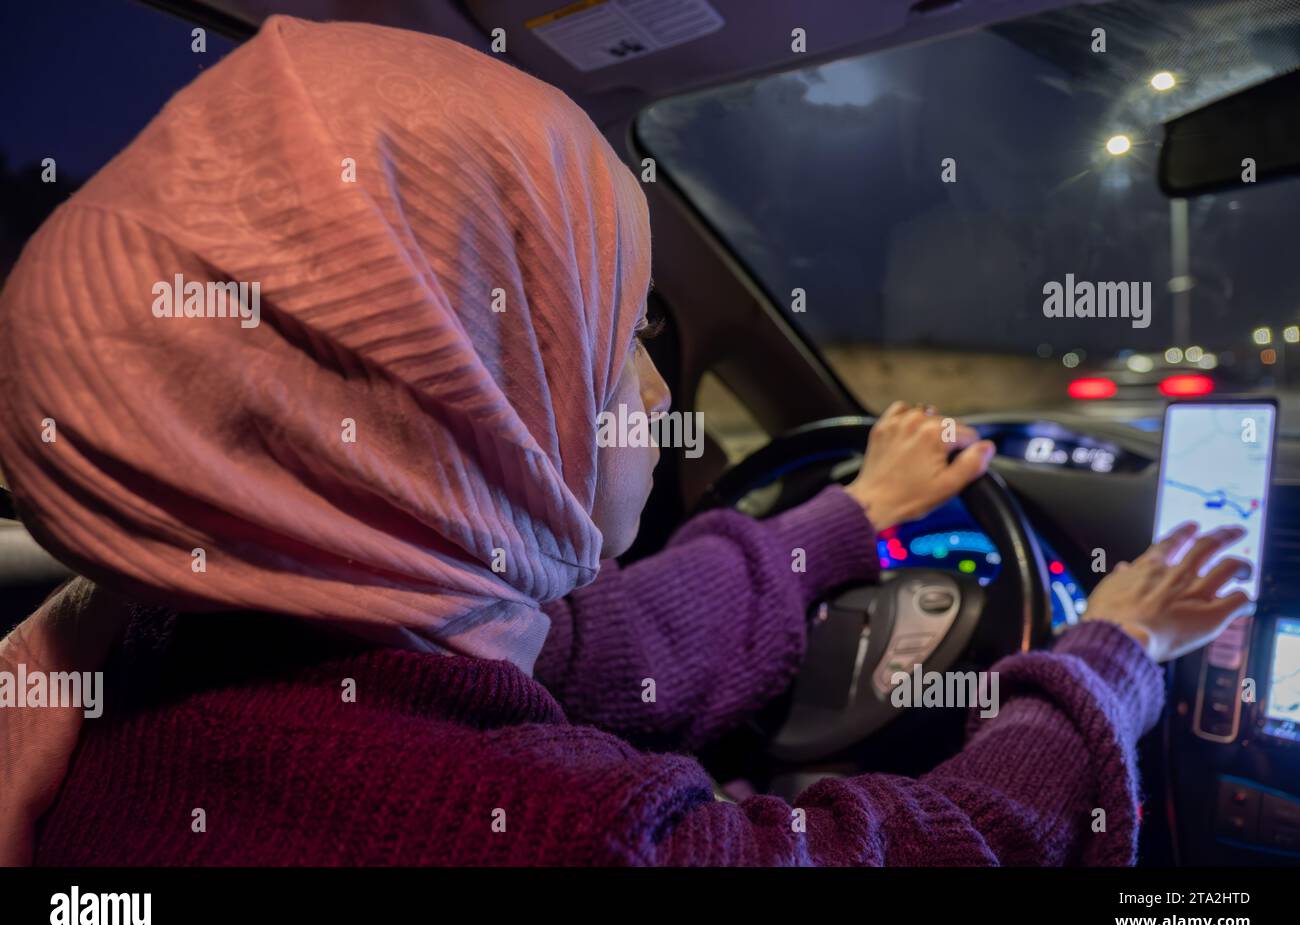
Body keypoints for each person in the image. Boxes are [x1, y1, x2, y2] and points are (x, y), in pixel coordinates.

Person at [0, 16, 1250, 866]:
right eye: (606, 335)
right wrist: (1109, 651)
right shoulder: (549, 832)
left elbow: (598, 650)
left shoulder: (176, 652)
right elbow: (960, 842)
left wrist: (850, 514)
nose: (658, 392)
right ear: (441, 401)